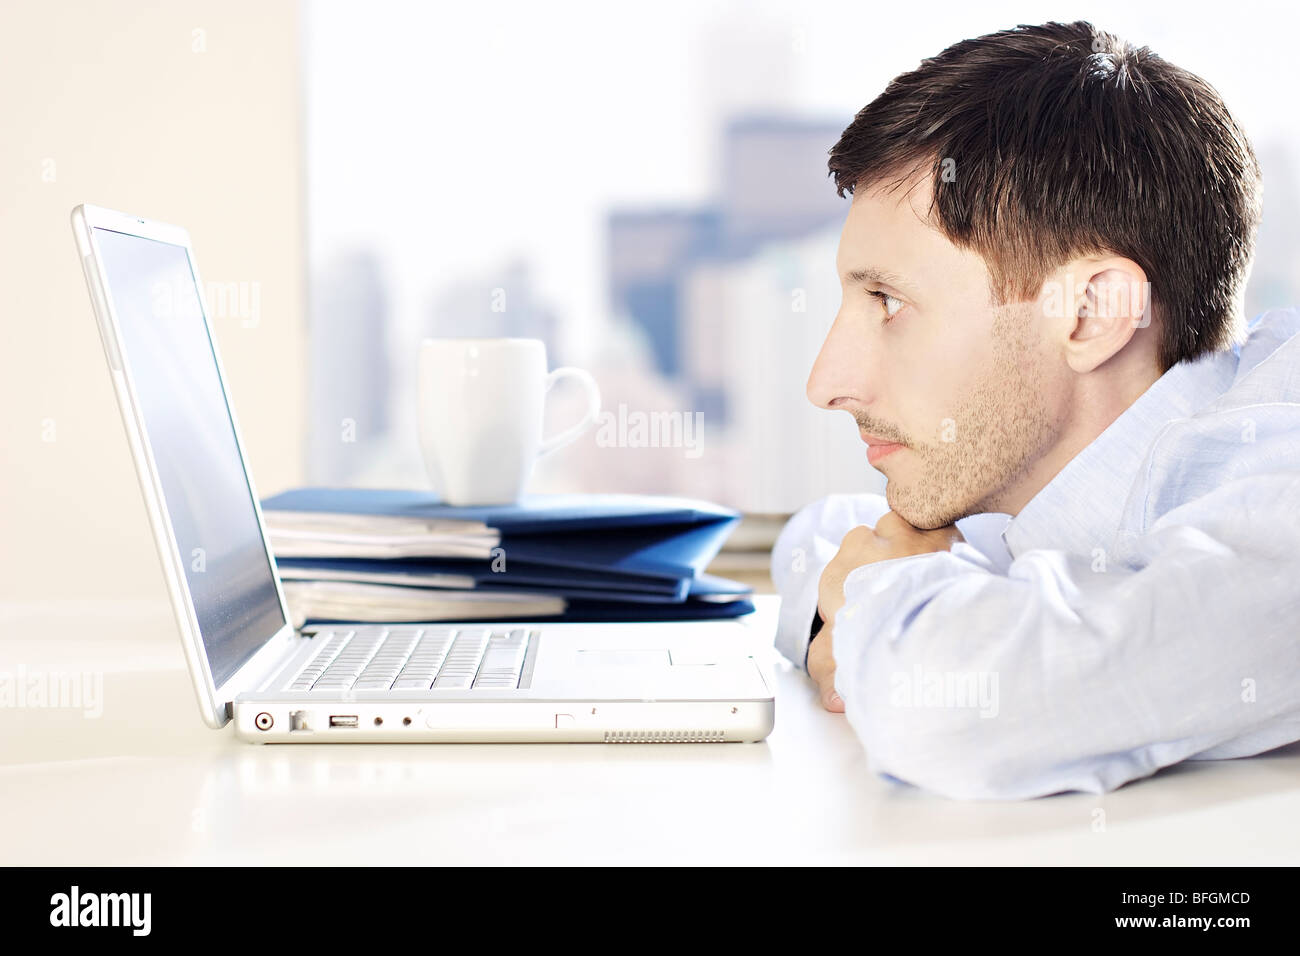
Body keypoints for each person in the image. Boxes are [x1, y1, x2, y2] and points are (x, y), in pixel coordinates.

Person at [771, 19, 1300, 800]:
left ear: (1091, 314)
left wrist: (878, 608)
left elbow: (953, 709)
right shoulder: (1070, 464)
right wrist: (855, 607)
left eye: (888, 301)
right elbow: (822, 534)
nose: (825, 383)